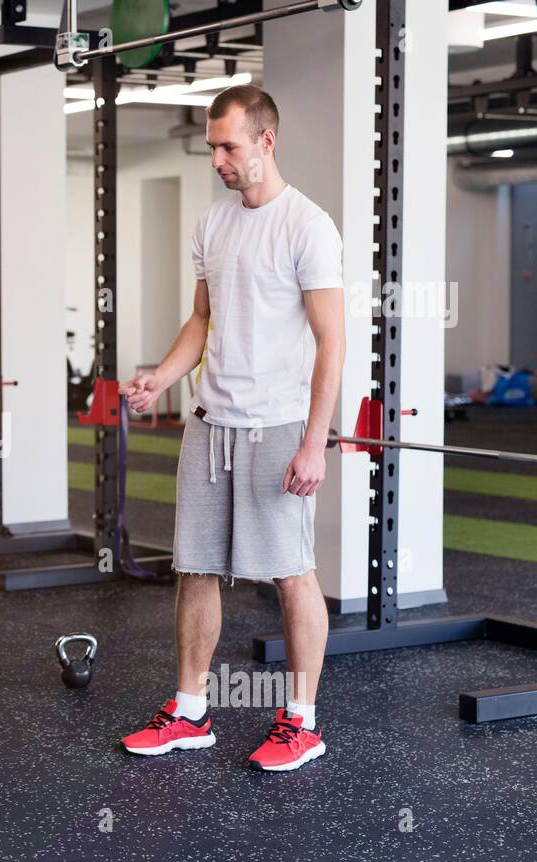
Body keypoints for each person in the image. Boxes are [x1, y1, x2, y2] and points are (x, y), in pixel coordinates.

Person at [118, 85, 346, 772]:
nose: (217, 158)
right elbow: (202, 321)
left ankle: (300, 721)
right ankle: (190, 712)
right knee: (196, 569)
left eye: (229, 146)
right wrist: (160, 376)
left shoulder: (308, 225)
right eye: (213, 145)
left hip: (277, 426)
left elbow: (332, 342)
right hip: (209, 425)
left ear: (266, 141)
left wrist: (315, 441)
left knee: (290, 575)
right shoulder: (213, 225)